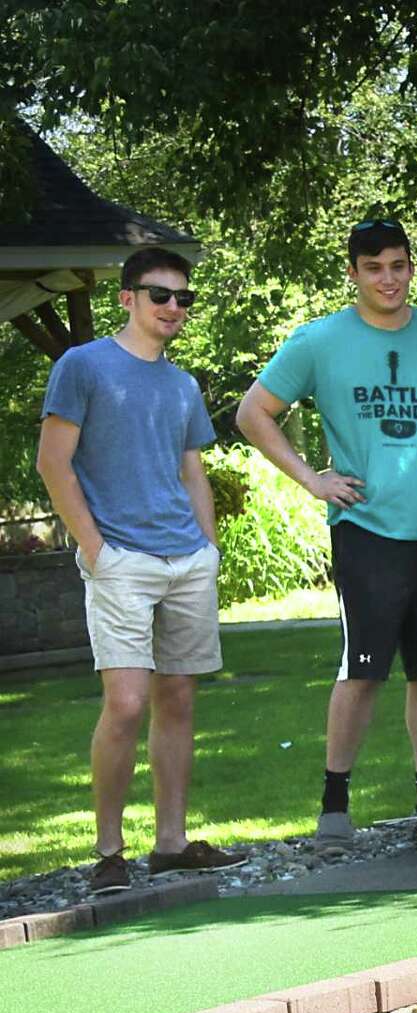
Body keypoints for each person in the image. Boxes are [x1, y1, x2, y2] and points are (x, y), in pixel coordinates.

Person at [237, 219, 417, 837]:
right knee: (363, 668)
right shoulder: (319, 341)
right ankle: (334, 803)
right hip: (365, 529)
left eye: (397, 265)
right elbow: (252, 412)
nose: (387, 279)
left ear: (410, 268)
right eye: (374, 268)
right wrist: (312, 481)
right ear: (353, 273)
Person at [36, 247, 244, 894]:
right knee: (126, 704)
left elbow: (192, 471)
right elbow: (53, 464)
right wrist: (95, 550)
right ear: (127, 298)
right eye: (161, 295)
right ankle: (108, 853)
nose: (174, 307)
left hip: (186, 560)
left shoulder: (182, 385)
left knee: (178, 698)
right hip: (120, 561)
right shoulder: (83, 366)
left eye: (184, 298)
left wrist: (207, 549)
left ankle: (172, 845)